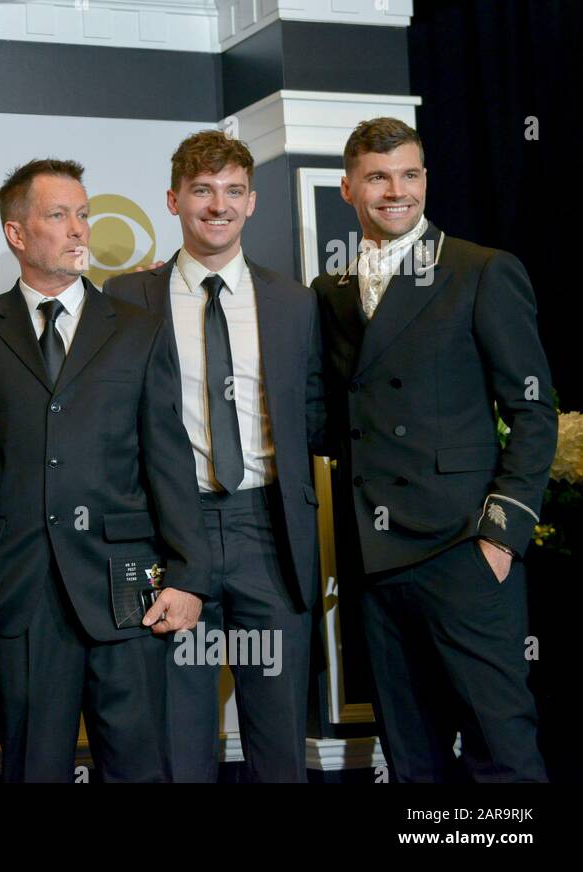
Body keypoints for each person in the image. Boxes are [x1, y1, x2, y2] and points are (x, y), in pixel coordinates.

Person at [312, 117, 555, 782]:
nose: (398, 191)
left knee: (500, 751)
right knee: (411, 758)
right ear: (348, 189)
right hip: (376, 561)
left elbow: (533, 409)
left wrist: (500, 539)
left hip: (463, 551)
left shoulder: (480, 270)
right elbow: (324, 419)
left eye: (411, 174)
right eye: (379, 177)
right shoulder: (328, 291)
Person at [0, 158, 210, 782]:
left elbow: (169, 457)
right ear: (17, 235)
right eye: (58, 216)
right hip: (17, 592)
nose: (78, 230)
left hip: (126, 589)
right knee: (32, 771)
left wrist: (189, 575)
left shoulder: (138, 329)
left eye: (83, 214)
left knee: (138, 770)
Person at [104, 131, 324, 782]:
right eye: (202, 191)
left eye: (232, 191)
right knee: (178, 742)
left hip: (271, 535)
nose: (217, 205)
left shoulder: (293, 302)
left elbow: (313, 410)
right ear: (174, 200)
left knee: (280, 741)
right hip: (172, 536)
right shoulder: (127, 297)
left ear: (252, 203)